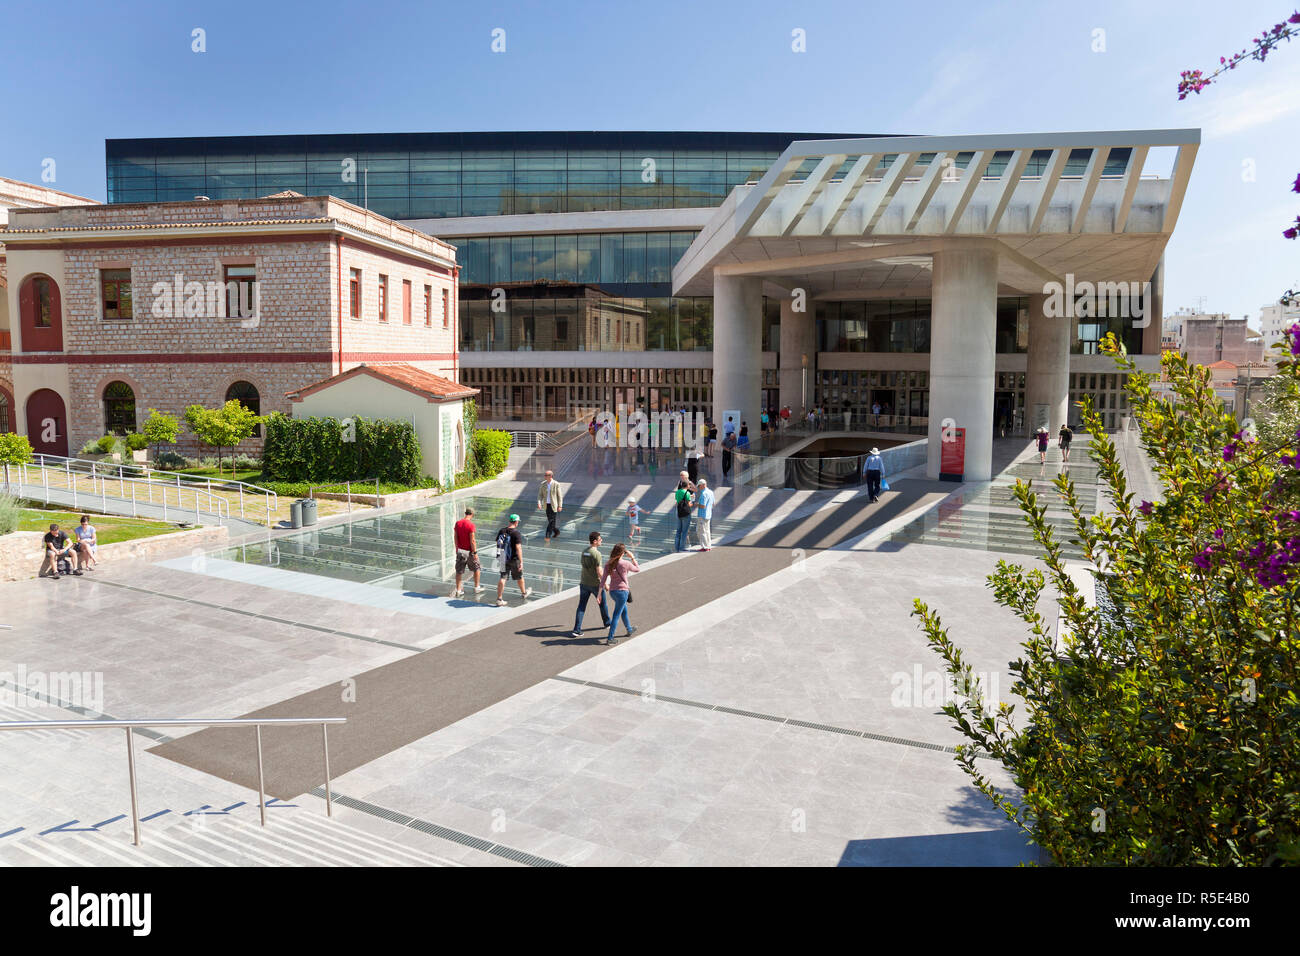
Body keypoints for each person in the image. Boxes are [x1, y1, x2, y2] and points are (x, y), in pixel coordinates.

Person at [599, 543, 640, 645]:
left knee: (623, 610)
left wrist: (599, 594)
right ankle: (610, 638)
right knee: (616, 615)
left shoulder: (609, 563)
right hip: (622, 592)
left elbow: (603, 580)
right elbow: (637, 569)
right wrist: (632, 557)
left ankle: (629, 629)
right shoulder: (625, 563)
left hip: (613, 592)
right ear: (623, 553)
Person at [572, 531, 611, 636]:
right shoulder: (597, 554)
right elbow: (599, 572)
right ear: (595, 541)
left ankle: (576, 629)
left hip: (584, 583)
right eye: (600, 539)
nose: (601, 540)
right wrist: (606, 584)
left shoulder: (584, 551)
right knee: (602, 604)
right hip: (595, 584)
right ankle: (607, 623)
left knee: (581, 606)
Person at [494, 514, 531, 605]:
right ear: (516, 522)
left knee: (503, 578)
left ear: (510, 521)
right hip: (514, 559)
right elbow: (518, 548)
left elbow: (497, 543)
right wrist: (521, 562)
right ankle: (524, 593)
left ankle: (499, 599)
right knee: (519, 577)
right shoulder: (516, 533)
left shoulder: (502, 531)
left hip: (503, 558)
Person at [452, 506, 483, 598]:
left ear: (465, 513)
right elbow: (472, 540)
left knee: (459, 571)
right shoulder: (471, 525)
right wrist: (475, 553)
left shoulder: (458, 523)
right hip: (469, 552)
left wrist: (457, 548)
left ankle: (458, 590)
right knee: (477, 568)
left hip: (460, 551)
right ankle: (477, 587)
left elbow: (455, 537)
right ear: (472, 514)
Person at [537, 469, 564, 540]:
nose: (544, 476)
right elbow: (540, 495)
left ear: (551, 476)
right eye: (545, 475)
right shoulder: (543, 484)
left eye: (546, 475)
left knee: (551, 521)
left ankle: (547, 536)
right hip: (546, 505)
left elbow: (559, 496)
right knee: (551, 521)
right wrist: (539, 502)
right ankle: (556, 531)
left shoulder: (556, 484)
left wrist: (560, 505)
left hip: (554, 506)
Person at [674, 473, 695, 552]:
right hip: (686, 513)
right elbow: (689, 504)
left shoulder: (677, 492)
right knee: (684, 531)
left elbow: (677, 500)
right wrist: (693, 503)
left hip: (679, 512)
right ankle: (682, 547)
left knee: (678, 530)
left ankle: (677, 547)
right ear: (687, 486)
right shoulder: (688, 493)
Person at [693, 478, 715, 551]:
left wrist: (696, 504)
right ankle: (708, 546)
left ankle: (705, 547)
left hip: (702, 515)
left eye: (699, 486)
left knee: (701, 531)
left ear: (703, 485)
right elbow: (713, 504)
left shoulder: (704, 494)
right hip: (708, 514)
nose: (698, 487)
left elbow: (702, 506)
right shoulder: (711, 492)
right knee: (707, 531)